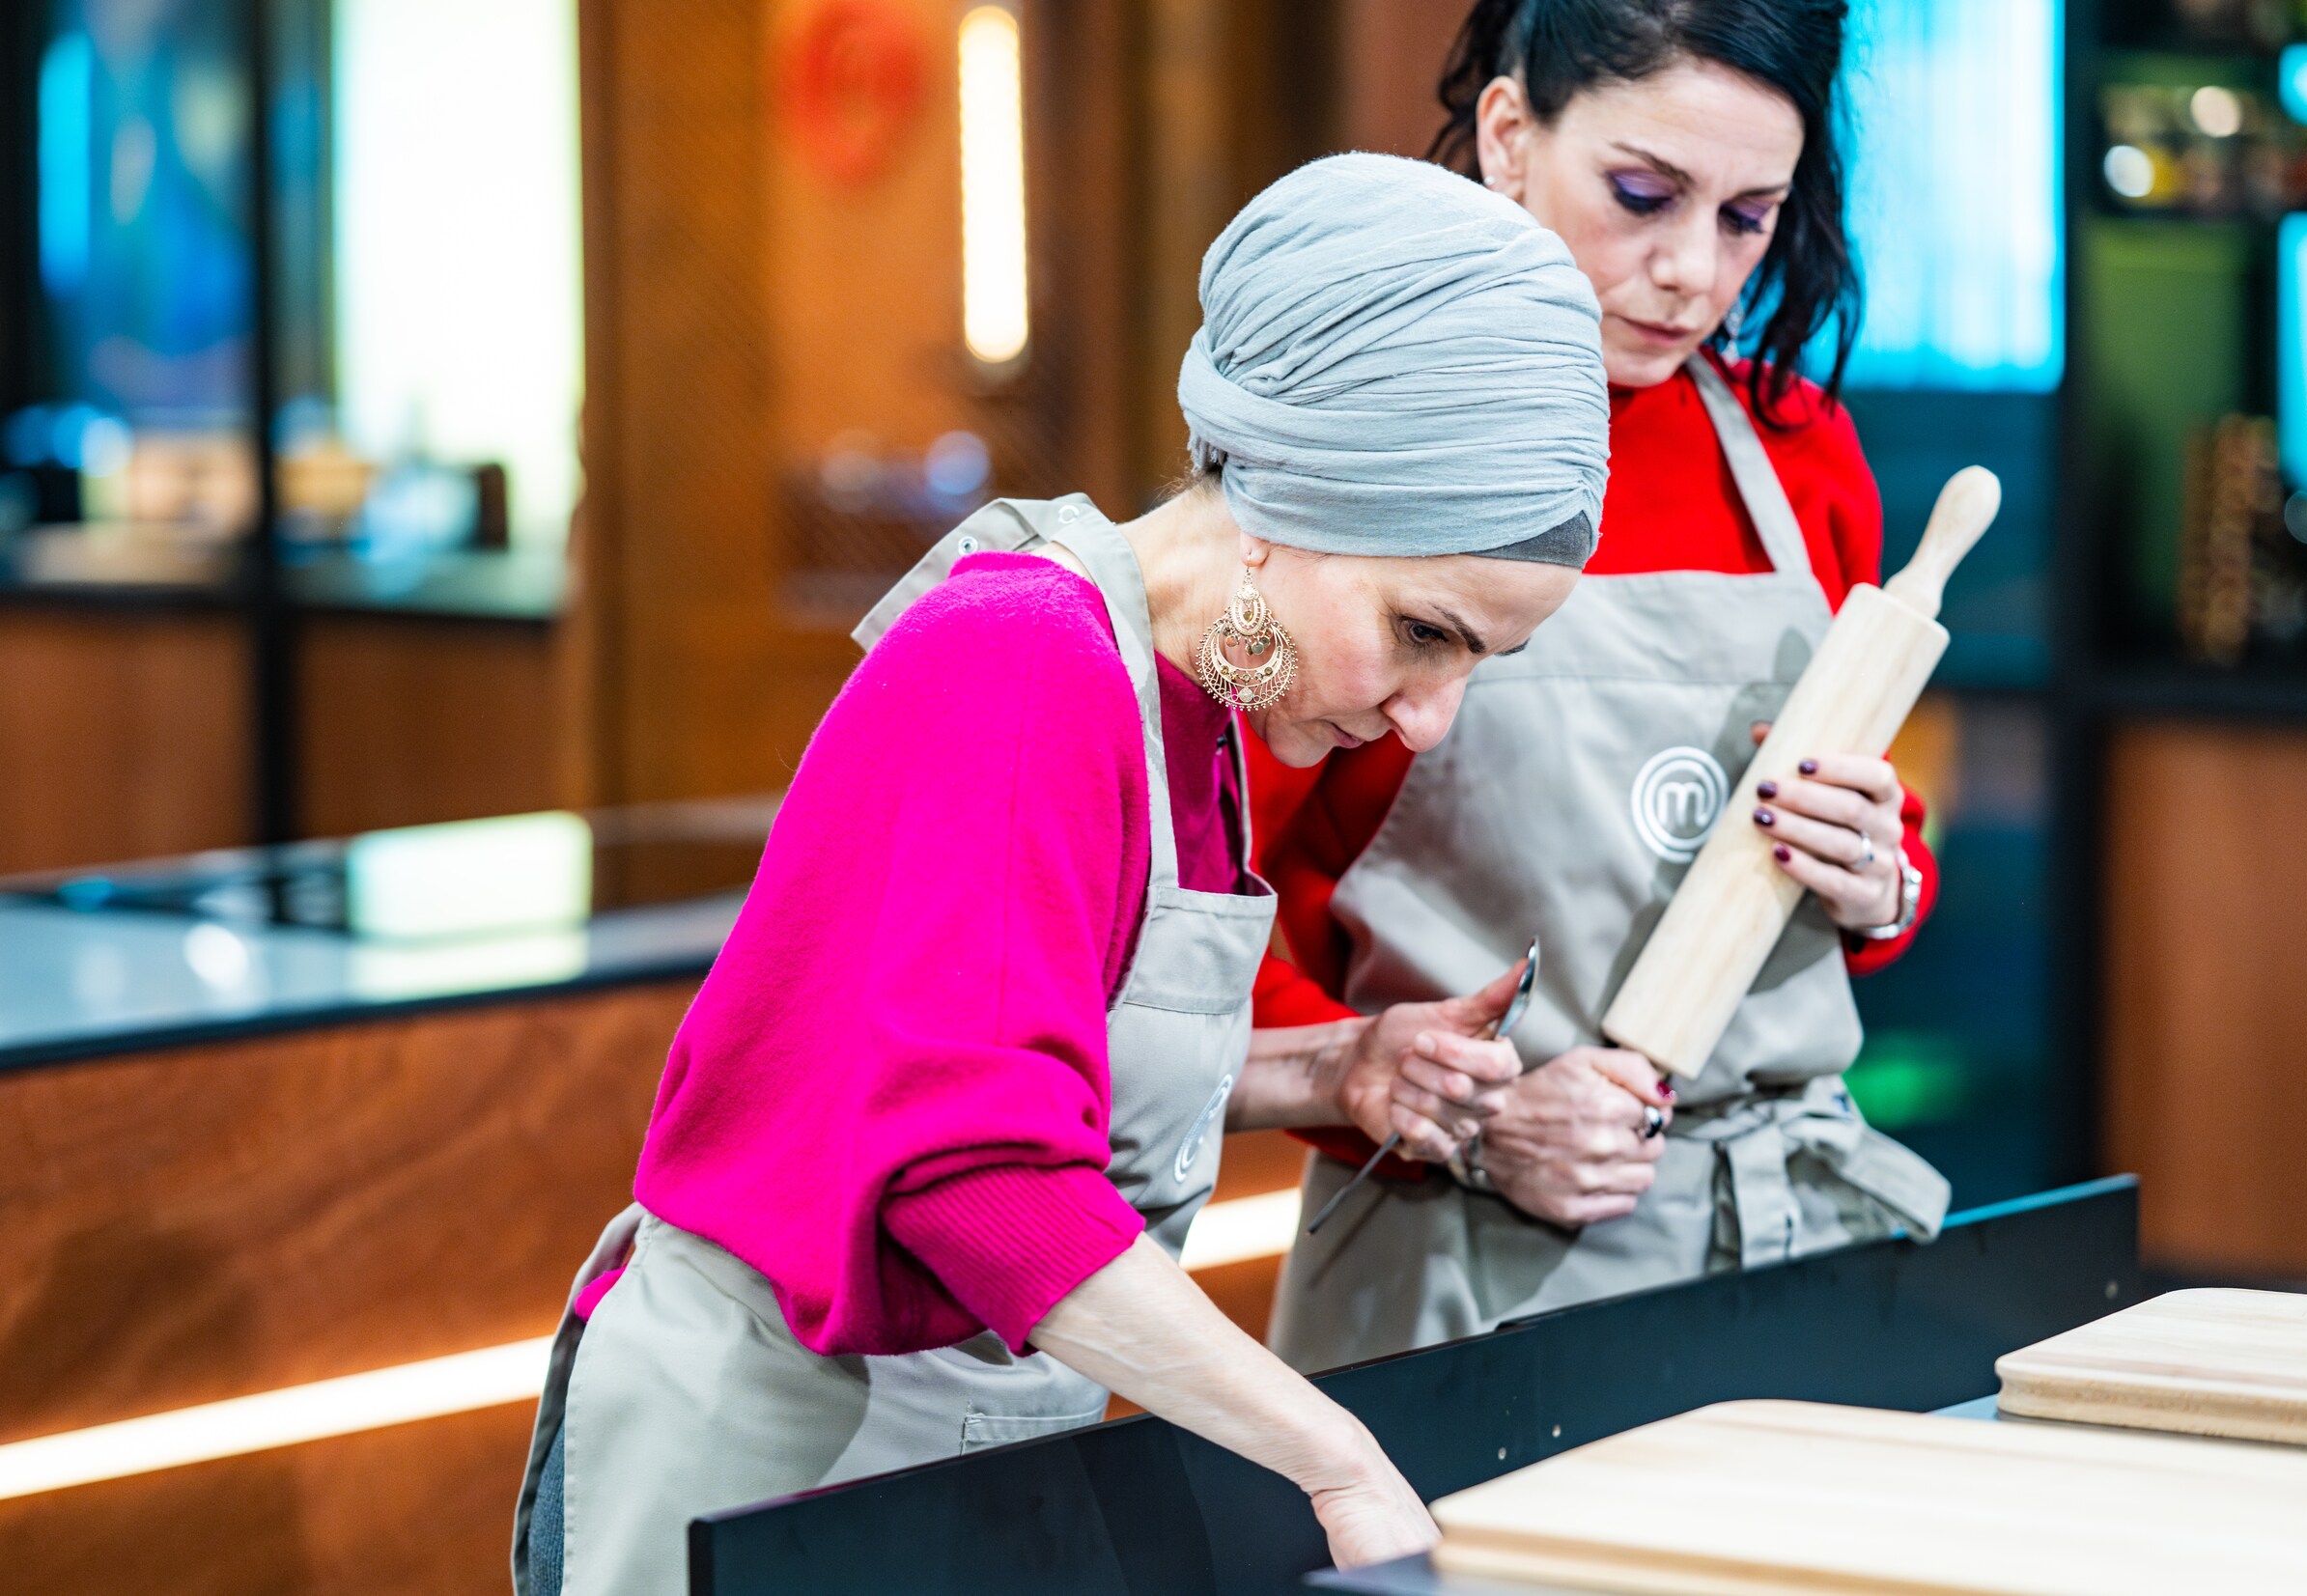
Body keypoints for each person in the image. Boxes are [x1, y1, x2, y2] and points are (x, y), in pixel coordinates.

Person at [511, 152, 1614, 1596]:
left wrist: (1337, 1070)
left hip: (960, 1446)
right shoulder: (1022, 661)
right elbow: (971, 1170)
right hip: (777, 1454)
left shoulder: (1193, 708)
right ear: (1287, 491)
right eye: (1423, 631)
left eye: (1478, 660)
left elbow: (1041, 1064)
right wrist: (1328, 1453)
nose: (1430, 716)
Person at [1254, 0, 1955, 1376]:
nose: (1693, 272)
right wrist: (1434, 1099)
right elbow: (1187, 935)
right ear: (1512, 135)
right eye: (1643, 195)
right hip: (1468, 1273)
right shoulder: (1355, 456)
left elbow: (1870, 825)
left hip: (1796, 1249)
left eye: (1751, 217)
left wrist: (1880, 872)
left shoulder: (1802, 457)